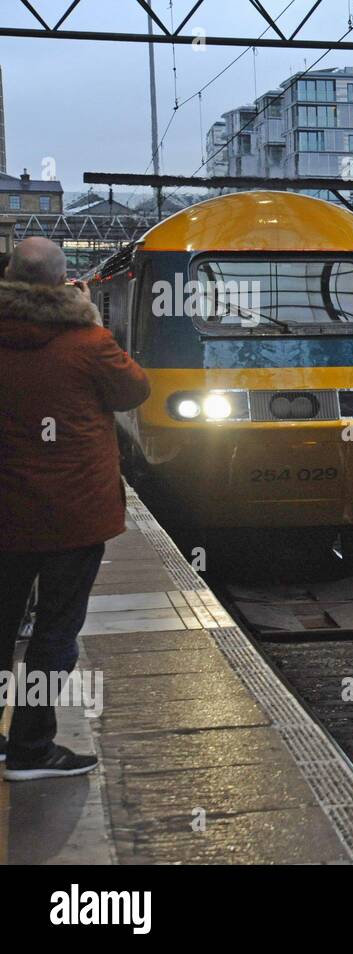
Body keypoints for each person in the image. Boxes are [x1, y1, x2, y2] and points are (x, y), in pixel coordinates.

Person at [0, 237, 151, 780]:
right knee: (54, 634)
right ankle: (31, 749)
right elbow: (134, 390)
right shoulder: (88, 341)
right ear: (64, 281)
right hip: (71, 515)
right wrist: (87, 317)